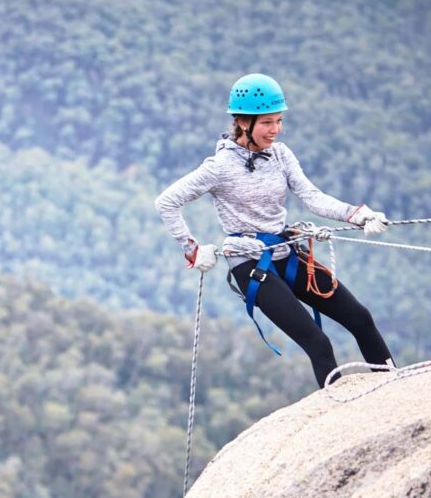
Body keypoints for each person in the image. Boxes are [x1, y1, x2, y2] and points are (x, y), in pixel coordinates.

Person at [154, 73, 395, 388]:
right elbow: (166, 202)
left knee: (360, 318)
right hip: (250, 264)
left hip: (286, 252)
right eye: (267, 122)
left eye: (279, 121)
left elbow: (311, 197)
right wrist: (192, 249)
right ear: (243, 122)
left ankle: (395, 389)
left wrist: (356, 214)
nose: (276, 129)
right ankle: (338, 413)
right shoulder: (218, 167)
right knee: (318, 343)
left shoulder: (281, 155)